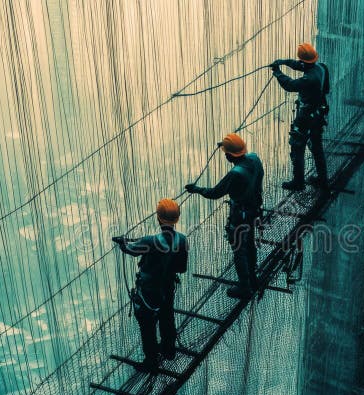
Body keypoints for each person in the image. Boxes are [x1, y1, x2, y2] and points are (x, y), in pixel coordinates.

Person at [113, 198, 188, 372]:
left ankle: (151, 360)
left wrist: (122, 243)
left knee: (147, 325)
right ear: (176, 218)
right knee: (167, 316)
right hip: (168, 287)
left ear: (158, 218)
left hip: (148, 291)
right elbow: (182, 269)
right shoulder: (182, 240)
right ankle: (169, 350)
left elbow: (130, 250)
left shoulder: (150, 241)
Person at [185, 133, 264, 299]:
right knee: (249, 244)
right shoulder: (255, 159)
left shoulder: (236, 174)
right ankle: (253, 278)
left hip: (240, 216)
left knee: (239, 250)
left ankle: (244, 287)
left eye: (226, 152)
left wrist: (196, 189)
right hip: (254, 211)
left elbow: (215, 193)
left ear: (229, 156)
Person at [270, 42, 331, 191]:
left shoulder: (309, 79)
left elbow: (290, 85)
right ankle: (322, 179)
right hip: (318, 114)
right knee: (317, 147)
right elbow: (301, 66)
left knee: (297, 147)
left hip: (306, 117)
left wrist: (278, 72)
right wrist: (284, 62)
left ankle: (298, 182)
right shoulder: (321, 67)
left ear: (305, 61)